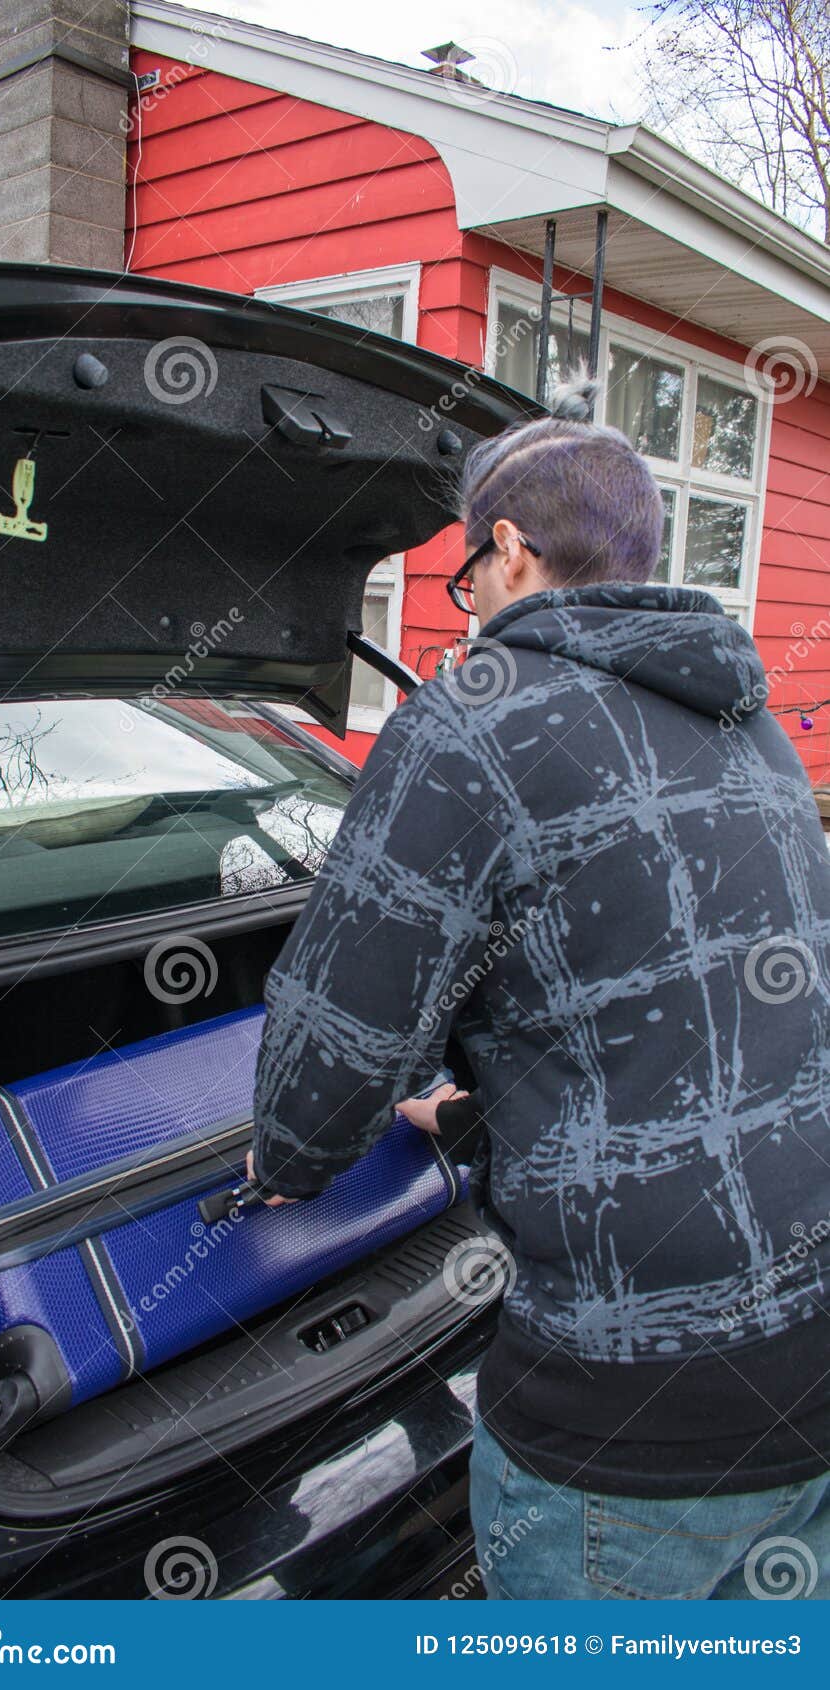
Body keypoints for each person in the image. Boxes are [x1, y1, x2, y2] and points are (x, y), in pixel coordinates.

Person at [247, 374, 830, 1600]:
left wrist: (282, 1164)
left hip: (629, 1426)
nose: (463, 615)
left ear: (507, 549)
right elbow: (696, 1024)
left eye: (464, 581)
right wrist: (463, 1114)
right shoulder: (749, 725)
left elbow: (323, 1073)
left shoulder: (476, 719)